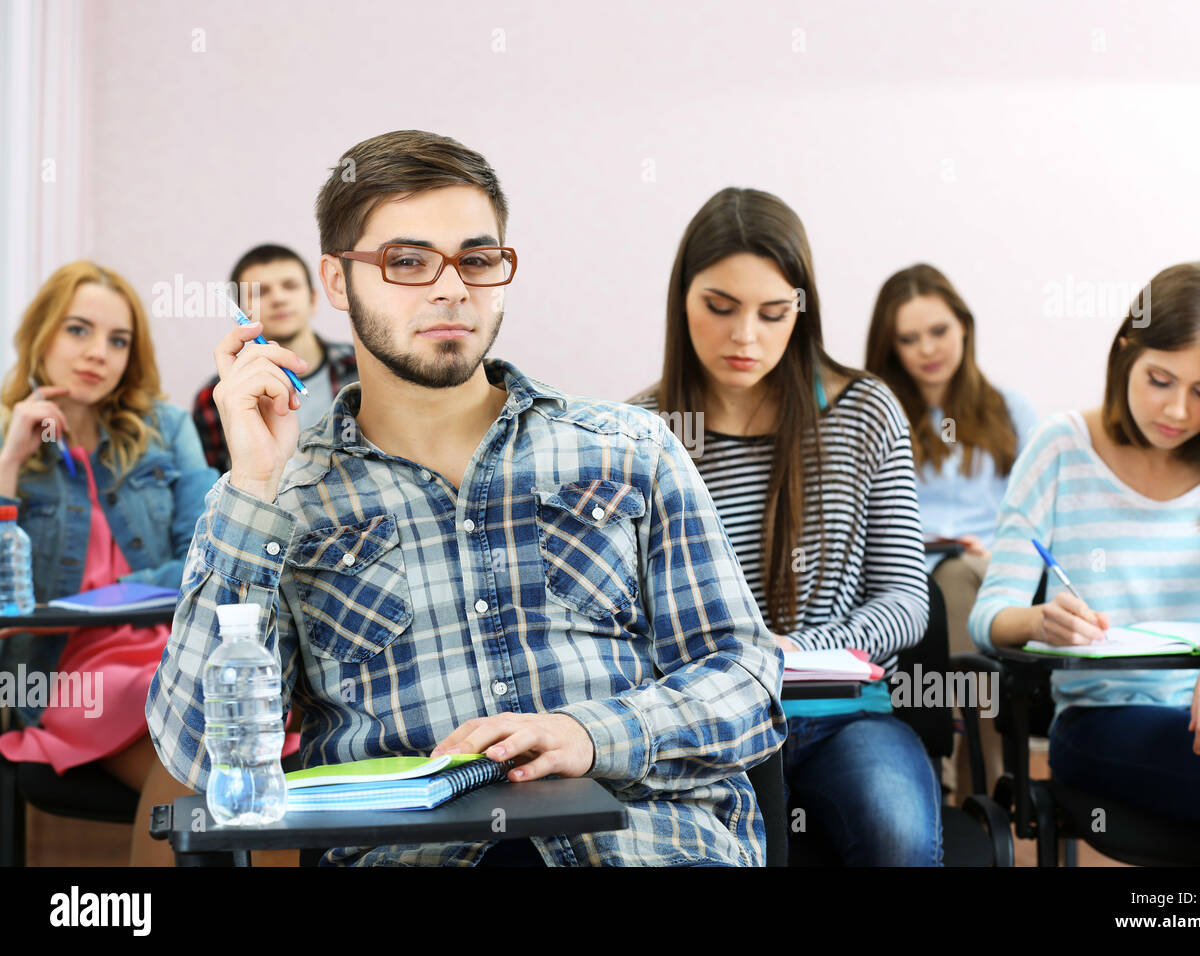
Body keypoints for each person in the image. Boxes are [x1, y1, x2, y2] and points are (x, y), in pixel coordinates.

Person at [146, 130, 786, 867]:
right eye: (407, 262)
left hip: (644, 845)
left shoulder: (632, 447)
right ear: (335, 280)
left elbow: (746, 682)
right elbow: (199, 756)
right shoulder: (279, 499)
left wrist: (592, 734)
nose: (452, 287)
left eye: (478, 260)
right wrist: (253, 485)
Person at [632, 188, 940, 865]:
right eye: (720, 307)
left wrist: (793, 650)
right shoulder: (640, 433)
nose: (746, 336)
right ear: (682, 298)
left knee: (898, 836)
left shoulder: (865, 411)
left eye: (774, 314)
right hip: (702, 728)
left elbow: (907, 600)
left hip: (843, 716)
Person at [969, 261, 1200, 865]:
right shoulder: (1060, 447)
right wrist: (1039, 620)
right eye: (1160, 379)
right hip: (1103, 724)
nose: (1177, 410)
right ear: (1126, 352)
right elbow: (990, 613)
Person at [0, 261, 219, 865]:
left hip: (175, 649)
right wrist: (10, 464)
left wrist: (116, 591)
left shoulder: (167, 428)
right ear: (41, 333)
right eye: (78, 330)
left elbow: (209, 554)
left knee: (221, 768)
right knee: (210, 750)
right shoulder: (6, 442)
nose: (98, 352)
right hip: (69, 668)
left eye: (117, 340)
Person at [864, 263, 1037, 799]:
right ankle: (976, 780)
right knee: (950, 581)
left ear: (964, 326)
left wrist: (1003, 549)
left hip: (995, 573)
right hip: (912, 572)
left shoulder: (1010, 409)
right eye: (909, 338)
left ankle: (949, 770)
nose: (927, 349)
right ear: (891, 347)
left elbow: (1039, 514)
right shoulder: (877, 413)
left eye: (938, 331)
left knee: (966, 579)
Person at [191, 243, 358, 473]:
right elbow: (213, 493)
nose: (278, 298)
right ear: (240, 311)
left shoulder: (361, 366)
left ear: (313, 299)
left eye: (290, 286)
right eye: (260, 291)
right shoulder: (215, 398)